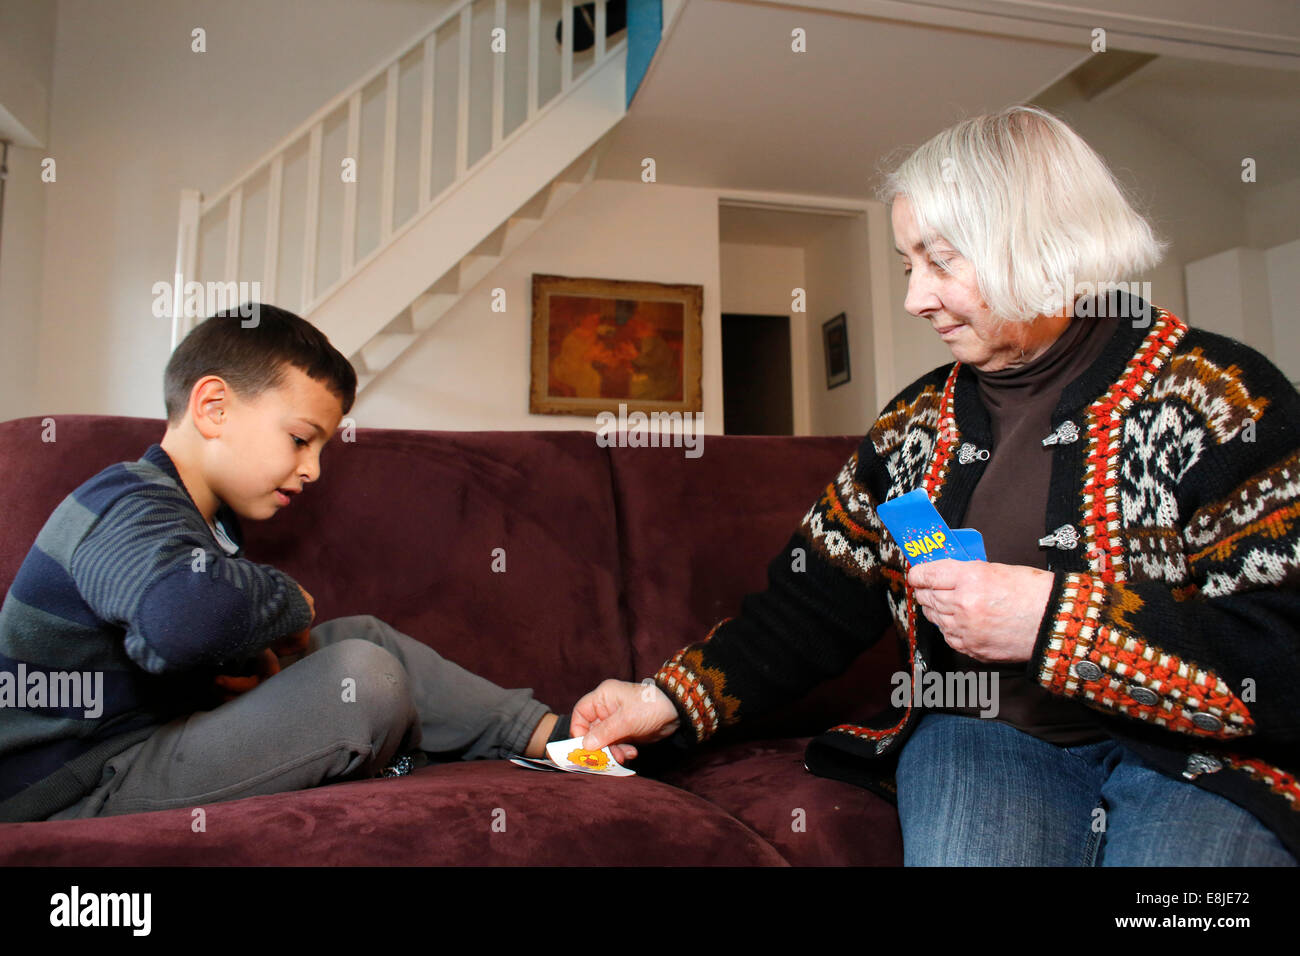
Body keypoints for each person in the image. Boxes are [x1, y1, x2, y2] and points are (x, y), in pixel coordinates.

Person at [572, 105, 1300, 866]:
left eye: (943, 261)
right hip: (988, 738)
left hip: (1203, 760)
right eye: (907, 265)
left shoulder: (1222, 400)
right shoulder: (915, 424)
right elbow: (807, 609)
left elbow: (1282, 655)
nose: (917, 298)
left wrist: (1054, 621)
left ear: (1043, 244)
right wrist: (659, 702)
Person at [0, 304, 568, 822]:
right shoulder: (128, 503)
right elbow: (179, 625)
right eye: (301, 439)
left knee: (362, 637)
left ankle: (557, 737)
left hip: (143, 742)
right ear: (213, 408)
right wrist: (288, 603)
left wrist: (245, 666)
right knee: (360, 677)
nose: (314, 470)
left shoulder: (208, 523)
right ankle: (397, 754)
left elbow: (175, 648)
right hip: (76, 787)